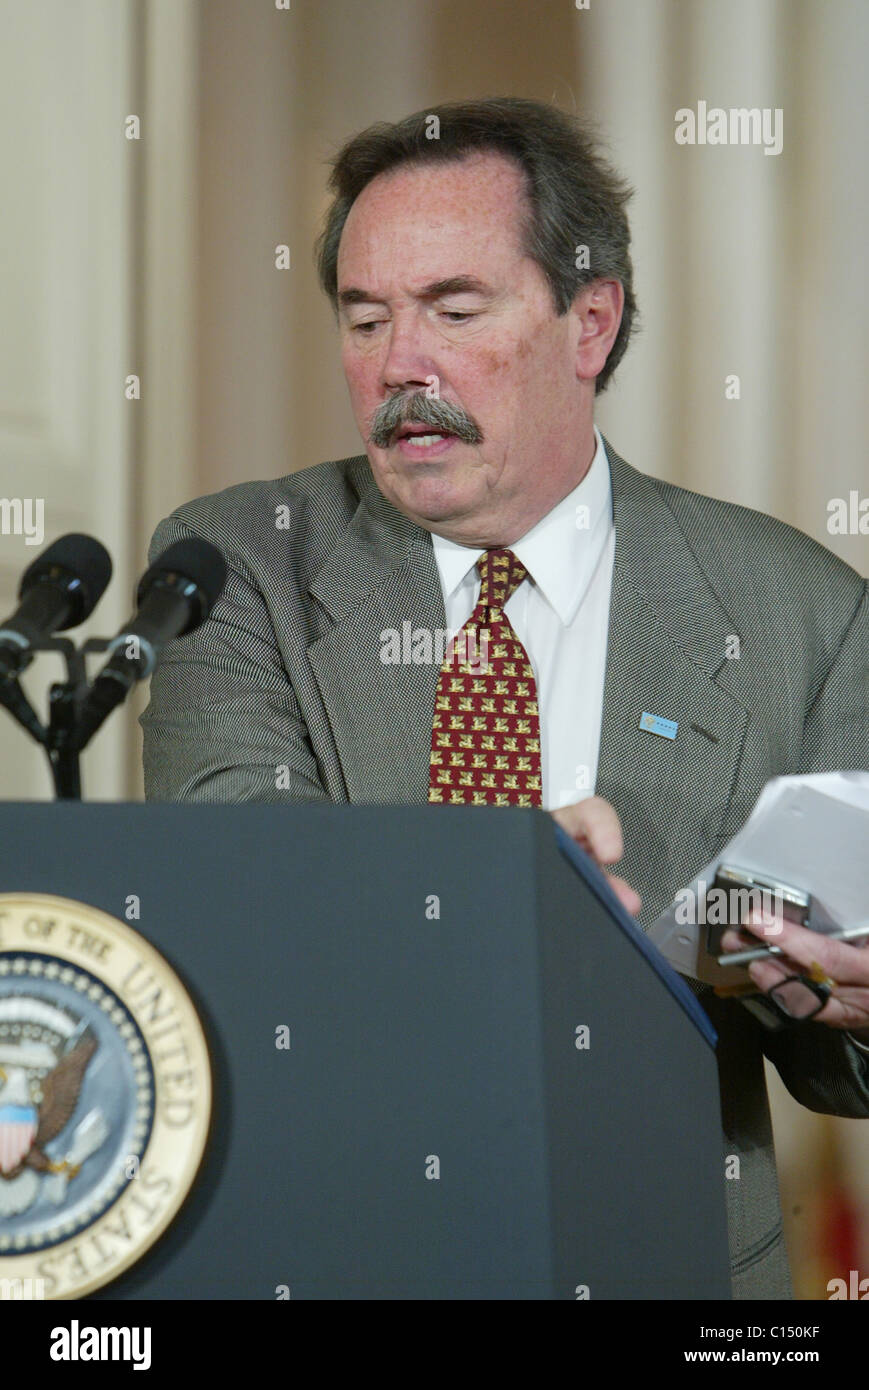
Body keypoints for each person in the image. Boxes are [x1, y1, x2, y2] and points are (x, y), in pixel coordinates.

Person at [140, 96, 869, 1299]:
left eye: (453, 309)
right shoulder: (234, 563)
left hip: (669, 1272)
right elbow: (249, 896)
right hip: (327, 1260)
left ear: (589, 320)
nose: (397, 365)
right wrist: (510, 884)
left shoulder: (801, 607)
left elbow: (835, 1067)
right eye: (364, 317)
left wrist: (850, 1003)